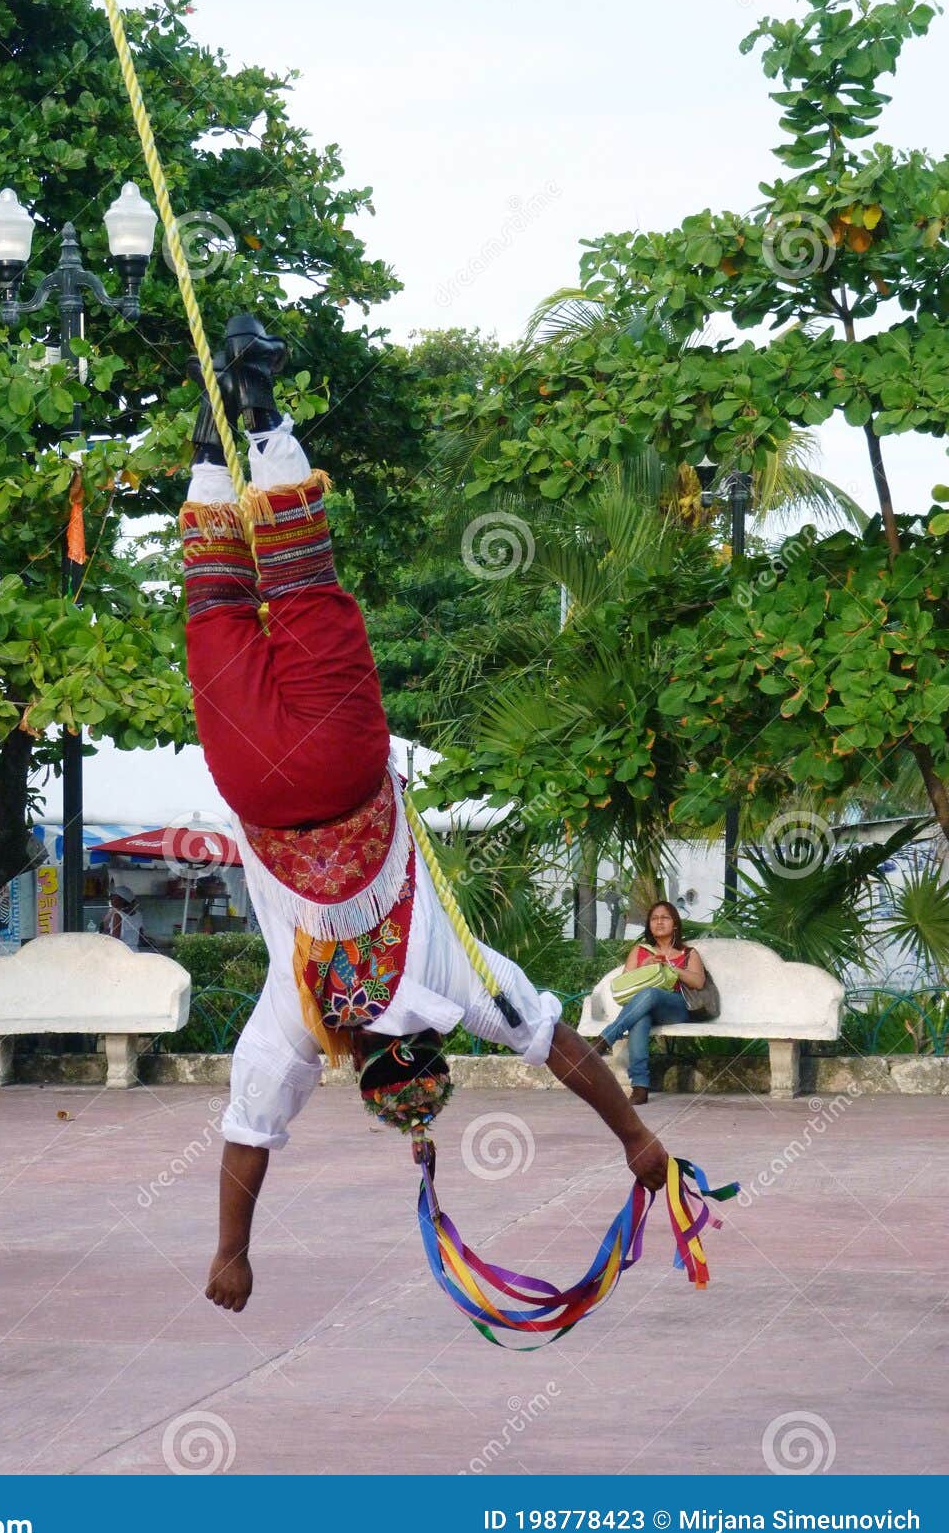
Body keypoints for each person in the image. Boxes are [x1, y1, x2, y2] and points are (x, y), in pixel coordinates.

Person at [180, 317, 670, 1316]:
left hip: (348, 762)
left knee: (307, 588)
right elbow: (248, 1134)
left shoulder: (451, 979)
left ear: (432, 1048)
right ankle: (208, 451)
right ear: (359, 1066)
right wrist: (232, 1255)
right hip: (261, 788)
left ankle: (261, 415)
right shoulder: (301, 1024)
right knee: (219, 605)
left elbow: (557, 1042)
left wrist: (636, 1135)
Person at [594, 899, 707, 1105]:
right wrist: (645, 965)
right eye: (654, 919)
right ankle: (640, 1087)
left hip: (676, 1007)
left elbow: (698, 982)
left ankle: (605, 1039)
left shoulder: (688, 953)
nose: (659, 922)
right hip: (644, 1007)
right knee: (641, 1018)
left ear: (675, 924)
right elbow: (625, 982)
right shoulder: (640, 951)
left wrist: (673, 968)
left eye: (664, 918)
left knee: (651, 994)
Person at [101, 885, 144, 951]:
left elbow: (115, 940)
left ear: (122, 900)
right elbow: (141, 935)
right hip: (135, 951)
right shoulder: (138, 914)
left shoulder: (118, 915)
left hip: (123, 952)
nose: (111, 898)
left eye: (113, 897)